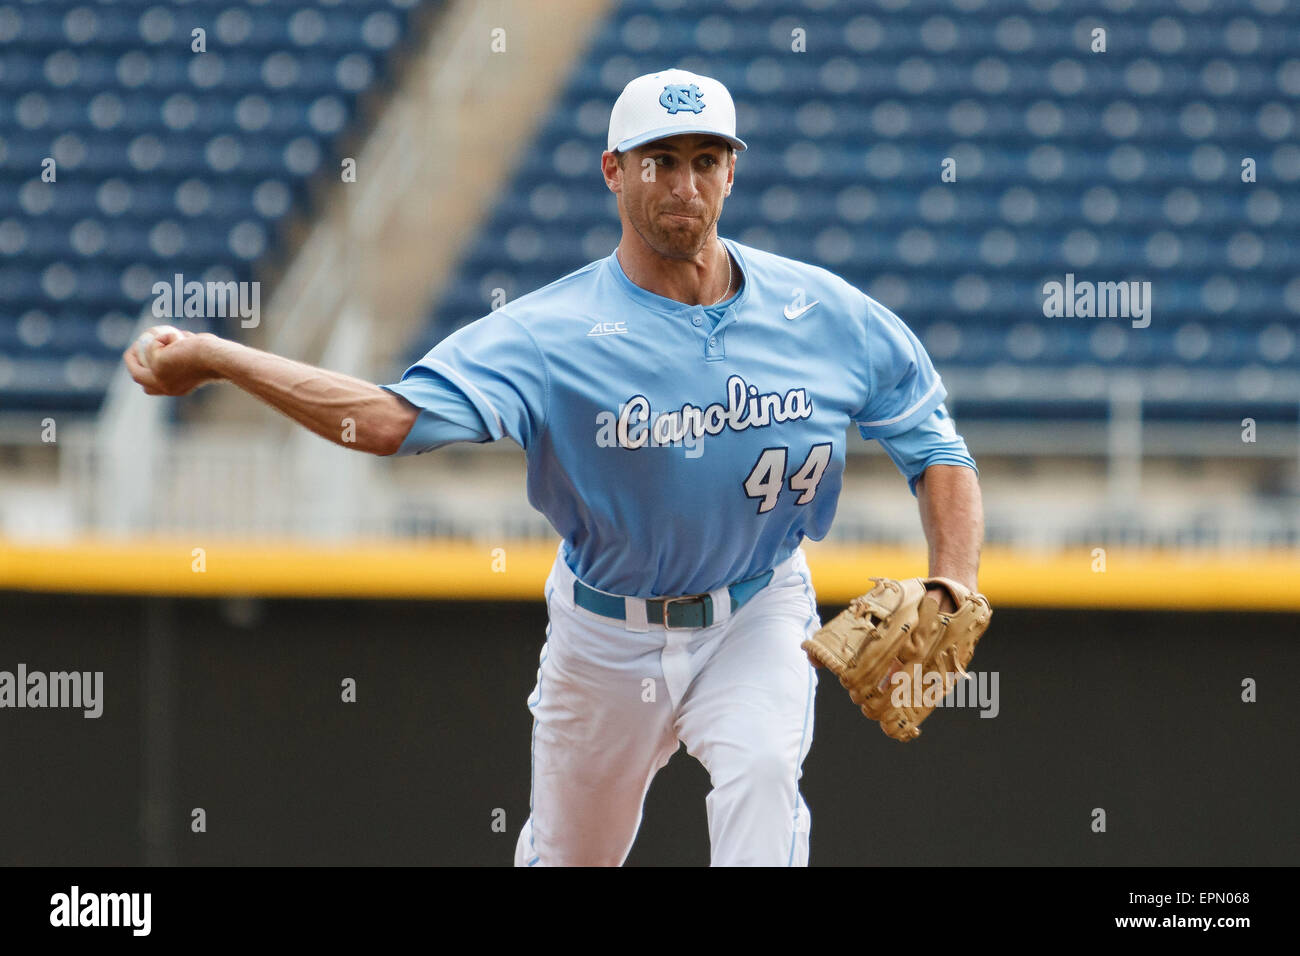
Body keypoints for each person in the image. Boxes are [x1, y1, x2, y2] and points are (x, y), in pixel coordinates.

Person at [123, 69, 983, 867]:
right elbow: (388, 421)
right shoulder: (548, 334)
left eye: (707, 160)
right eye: (662, 161)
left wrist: (953, 581)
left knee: (762, 776)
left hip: (757, 609)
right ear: (614, 171)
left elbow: (935, 445)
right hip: (606, 635)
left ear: (733, 172)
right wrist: (221, 358)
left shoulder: (823, 313)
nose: (686, 184)